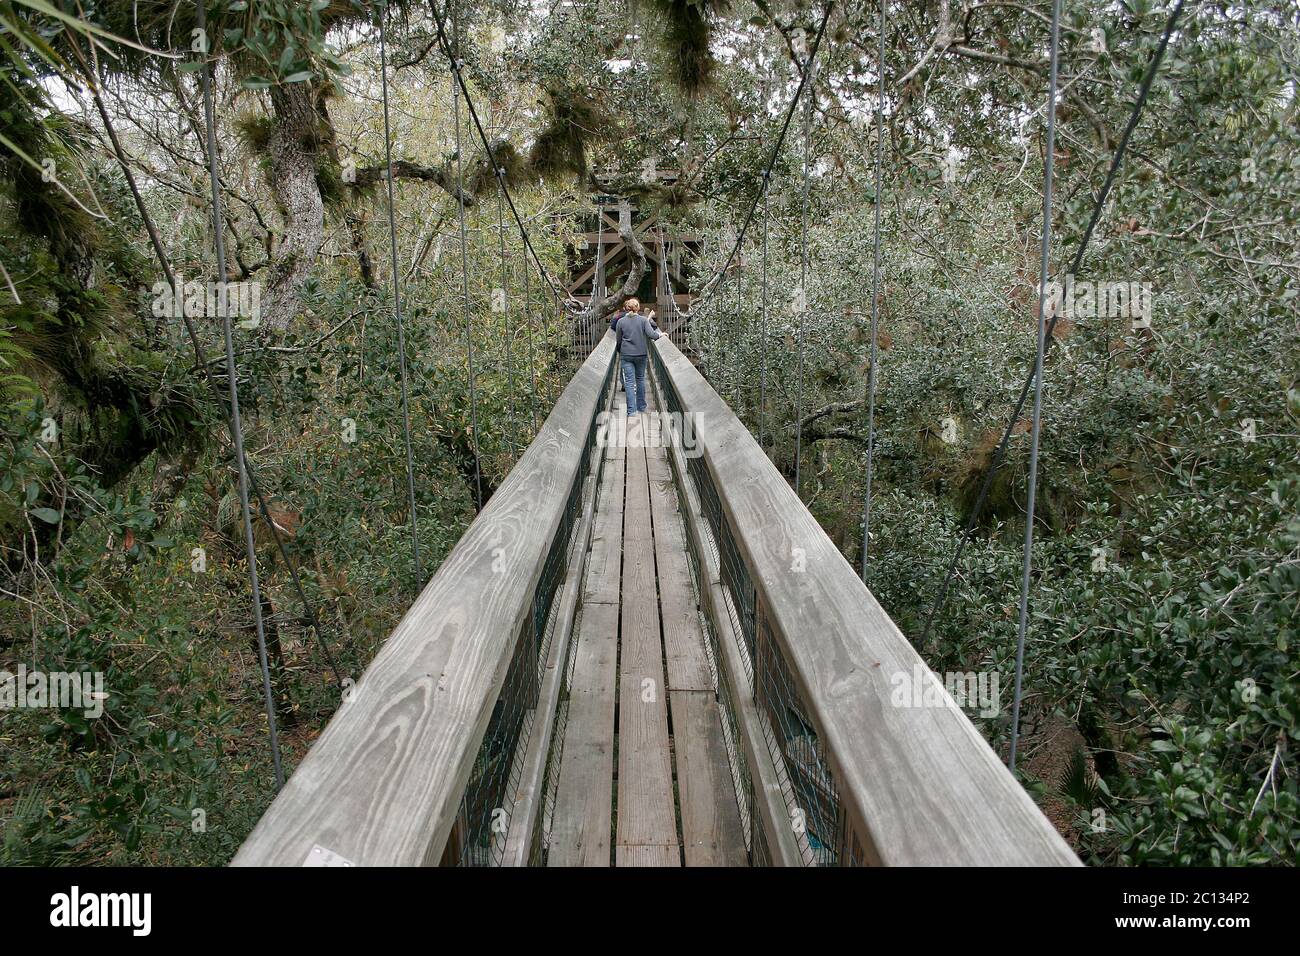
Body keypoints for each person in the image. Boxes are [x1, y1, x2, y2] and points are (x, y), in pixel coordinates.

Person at [612, 297, 662, 416]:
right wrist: (660, 335)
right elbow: (651, 334)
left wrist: (621, 351)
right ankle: (641, 406)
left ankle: (631, 411)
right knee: (640, 380)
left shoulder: (621, 322)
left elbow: (618, 340)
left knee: (629, 382)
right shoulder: (644, 320)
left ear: (626, 308)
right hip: (641, 354)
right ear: (638, 308)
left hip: (626, 355)